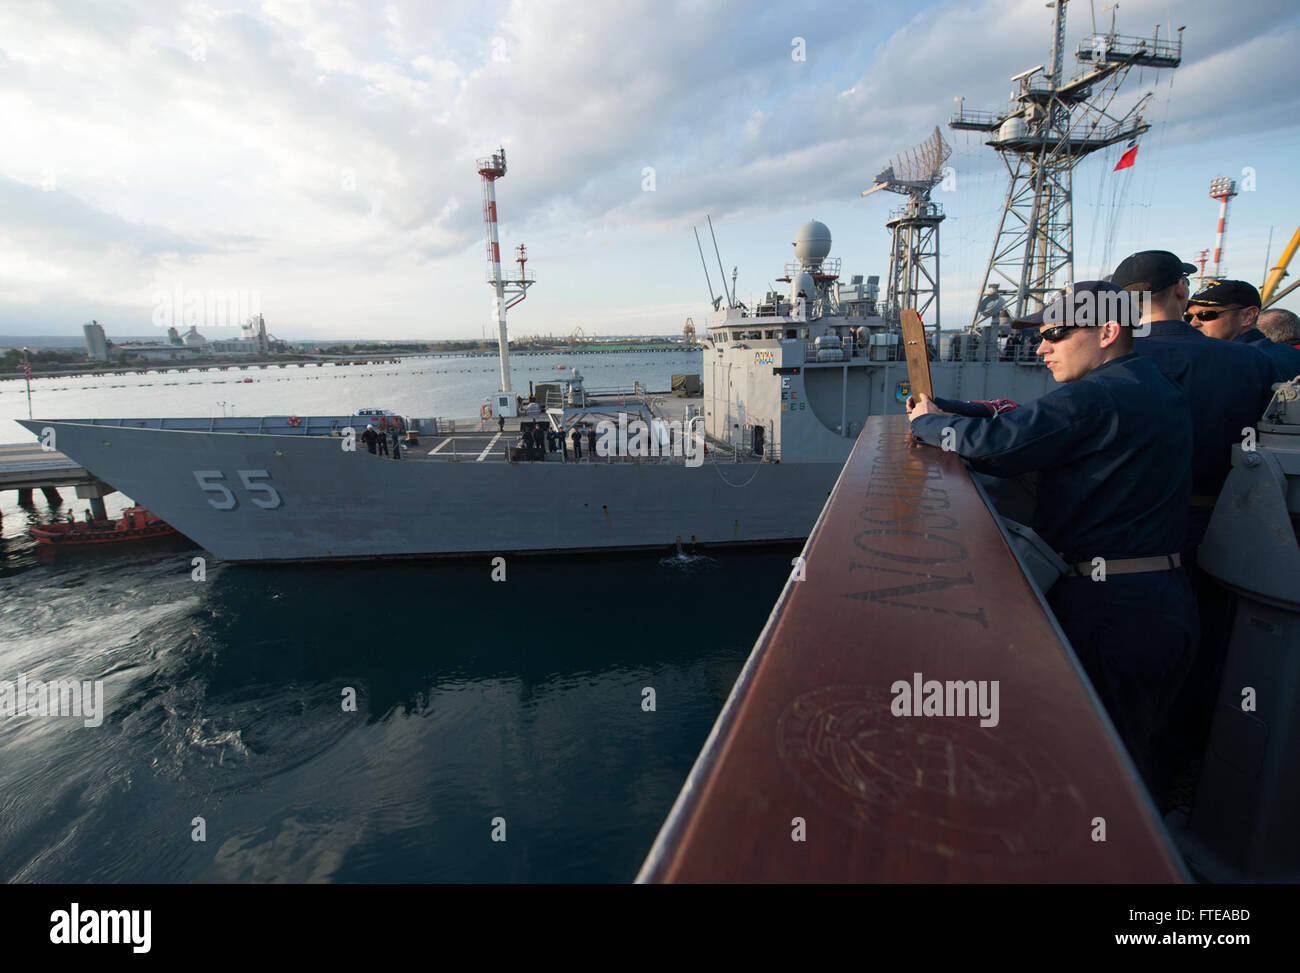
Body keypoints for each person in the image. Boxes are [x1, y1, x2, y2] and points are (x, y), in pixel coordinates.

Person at [907, 281, 1197, 796]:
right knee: (1134, 754)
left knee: (1101, 767)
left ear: (1107, 331)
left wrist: (929, 425)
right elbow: (1025, 423)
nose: (1042, 347)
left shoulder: (1101, 395)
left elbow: (998, 446)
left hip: (1113, 611)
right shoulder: (1148, 383)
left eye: (1056, 334)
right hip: (1158, 599)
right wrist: (946, 407)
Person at [1111, 252, 1276, 803]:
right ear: (1181, 291)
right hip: (1219, 523)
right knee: (1210, 652)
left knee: (1128, 661)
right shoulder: (1246, 364)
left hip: (1128, 531)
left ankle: (1123, 778)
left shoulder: (1114, 358)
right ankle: (1185, 775)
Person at [1184, 278, 1300, 381]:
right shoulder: (1290, 355)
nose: (1193, 323)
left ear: (1248, 316)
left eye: (1206, 315)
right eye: (1188, 317)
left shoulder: (1232, 364)